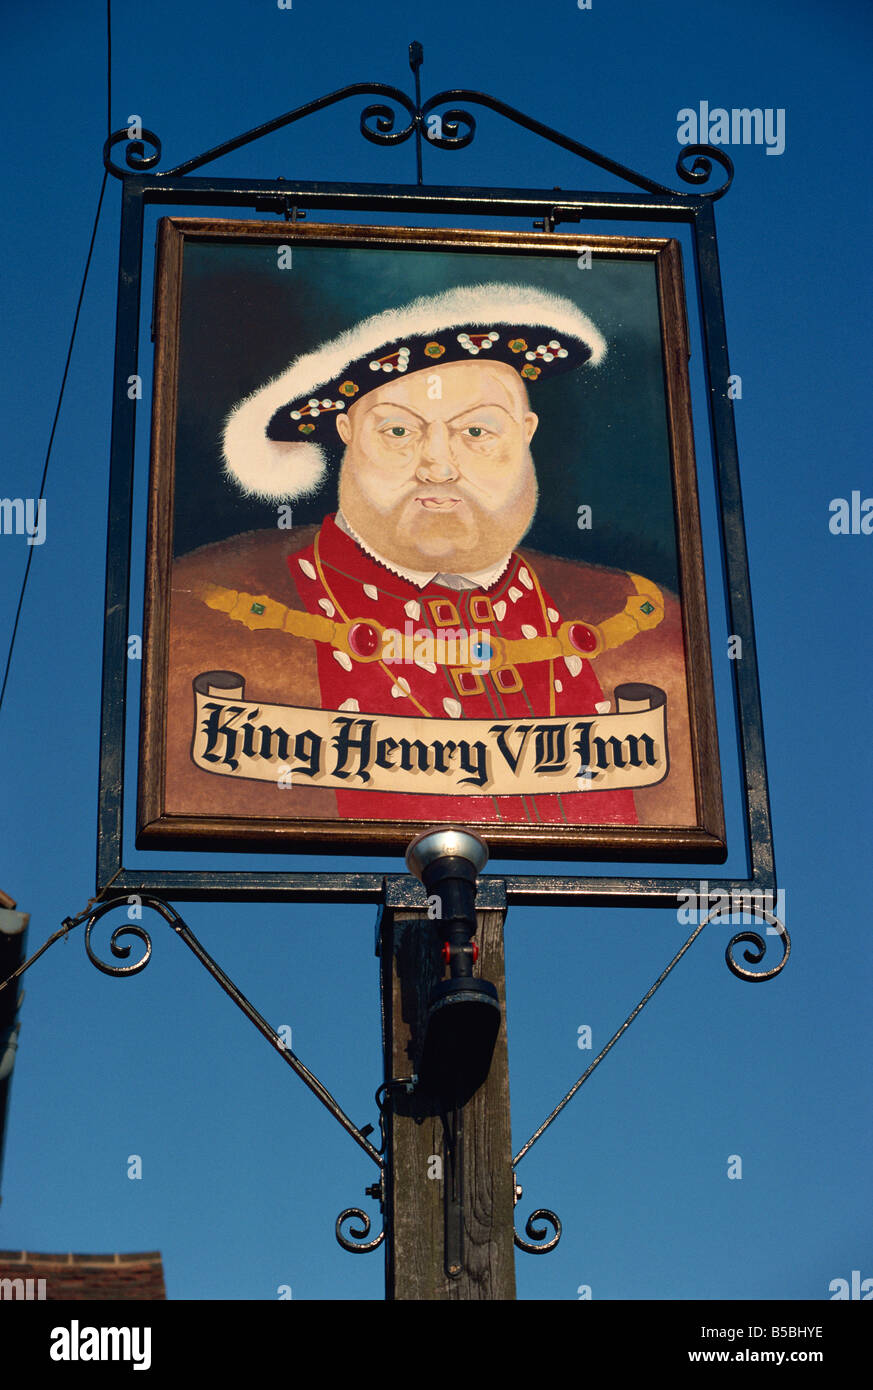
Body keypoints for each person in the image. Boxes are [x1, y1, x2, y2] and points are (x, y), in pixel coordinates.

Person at [160, 284, 695, 835]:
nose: (438, 466)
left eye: (477, 431)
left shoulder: (643, 620)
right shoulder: (203, 610)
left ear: (527, 434)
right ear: (345, 432)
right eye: (398, 431)